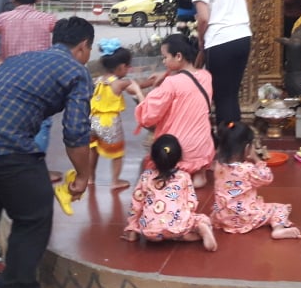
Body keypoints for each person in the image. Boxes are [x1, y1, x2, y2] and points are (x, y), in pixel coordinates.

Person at [0, 16, 95, 288]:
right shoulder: (77, 72)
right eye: (88, 51)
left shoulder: (21, 59)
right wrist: (83, 175)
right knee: (34, 216)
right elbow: (76, 132)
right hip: (5, 149)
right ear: (83, 46)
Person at [0, 0, 60, 179]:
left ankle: (13, 166)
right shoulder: (47, 19)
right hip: (40, 78)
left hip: (11, 77)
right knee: (41, 122)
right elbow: (62, 36)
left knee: (12, 122)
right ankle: (36, 168)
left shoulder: (4, 18)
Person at [174, 0, 252, 124]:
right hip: (243, 37)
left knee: (222, 97)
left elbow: (203, 18)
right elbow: (245, 4)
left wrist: (201, 41)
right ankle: (236, 143)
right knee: (232, 94)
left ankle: (228, 145)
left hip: (220, 41)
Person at [134, 33, 215, 188]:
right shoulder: (206, 76)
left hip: (177, 148)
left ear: (178, 56)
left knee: (158, 171)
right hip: (201, 146)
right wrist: (166, 75)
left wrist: (138, 92)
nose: (163, 62)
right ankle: (198, 176)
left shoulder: (171, 83)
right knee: (197, 171)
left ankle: (178, 179)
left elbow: (148, 116)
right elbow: (187, 80)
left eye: (165, 57)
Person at [122, 134, 217, 250]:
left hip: (151, 232)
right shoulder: (183, 177)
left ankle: (136, 232)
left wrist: (131, 225)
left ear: (153, 157)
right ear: (179, 157)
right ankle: (191, 231)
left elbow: (136, 205)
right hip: (178, 225)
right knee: (198, 220)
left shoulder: (146, 177)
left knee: (149, 226)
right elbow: (192, 203)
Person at [210, 121, 301, 239]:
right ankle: (278, 229)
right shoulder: (247, 169)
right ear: (248, 148)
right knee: (279, 208)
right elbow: (267, 178)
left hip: (222, 217)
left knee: (221, 205)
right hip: (246, 217)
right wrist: (256, 159)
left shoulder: (218, 166)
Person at [90, 44, 146, 189]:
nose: (129, 70)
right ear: (121, 67)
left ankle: (90, 177)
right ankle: (115, 181)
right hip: (110, 123)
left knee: (93, 149)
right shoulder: (119, 83)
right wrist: (145, 89)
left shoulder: (98, 80)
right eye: (128, 67)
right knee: (117, 153)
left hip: (92, 120)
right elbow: (135, 86)